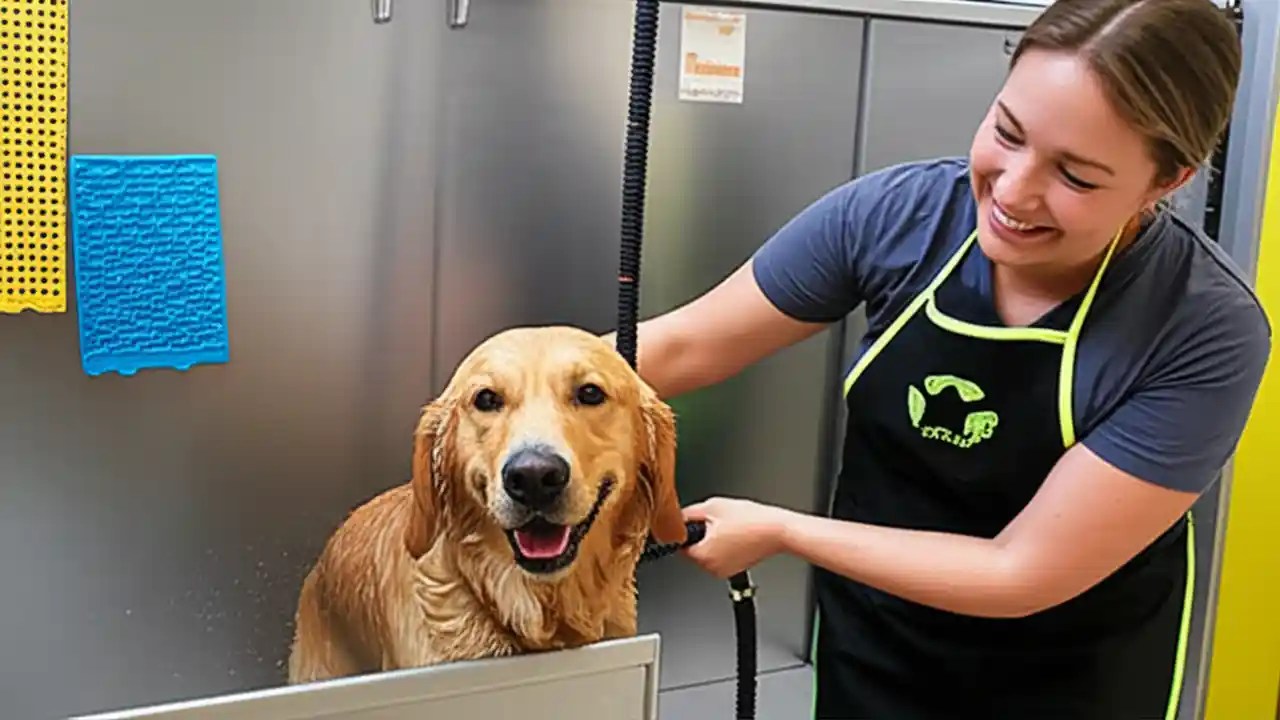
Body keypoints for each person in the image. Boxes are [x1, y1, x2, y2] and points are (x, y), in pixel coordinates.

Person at [609, 0, 1272, 717]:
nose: (1013, 192)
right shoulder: (897, 220)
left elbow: (1020, 570)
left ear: (1166, 182)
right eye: (1006, 133)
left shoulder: (1204, 327)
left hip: (1076, 676)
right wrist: (495, 400)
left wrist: (783, 530)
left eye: (1075, 177)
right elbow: (680, 347)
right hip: (877, 646)